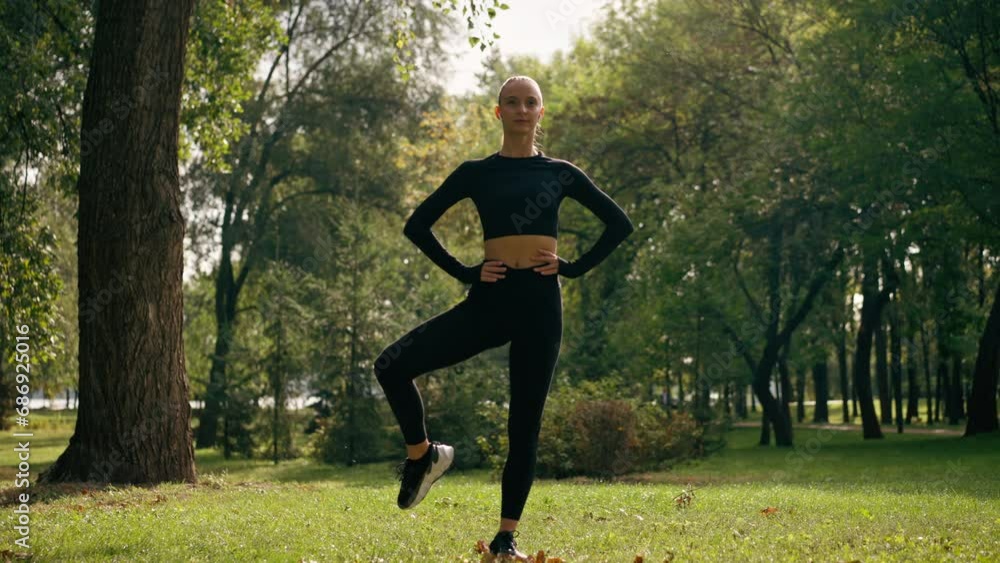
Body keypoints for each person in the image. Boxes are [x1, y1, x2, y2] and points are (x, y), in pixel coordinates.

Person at [373, 75, 634, 559]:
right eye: (511, 102)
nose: (520, 109)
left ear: (541, 113)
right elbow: (418, 225)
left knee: (524, 426)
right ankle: (423, 456)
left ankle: (506, 537)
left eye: (529, 102)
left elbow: (619, 223)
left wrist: (572, 269)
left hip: (539, 304)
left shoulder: (560, 173)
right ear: (498, 112)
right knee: (391, 364)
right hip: (490, 300)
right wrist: (466, 271)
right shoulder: (477, 172)